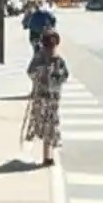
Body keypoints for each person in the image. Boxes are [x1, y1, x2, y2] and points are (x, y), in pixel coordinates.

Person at [25, 31, 69, 166]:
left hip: (49, 98)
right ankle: (47, 156)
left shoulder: (56, 60)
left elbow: (64, 76)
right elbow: (31, 73)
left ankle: (47, 156)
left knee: (48, 125)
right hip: (45, 97)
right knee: (47, 125)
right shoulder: (46, 59)